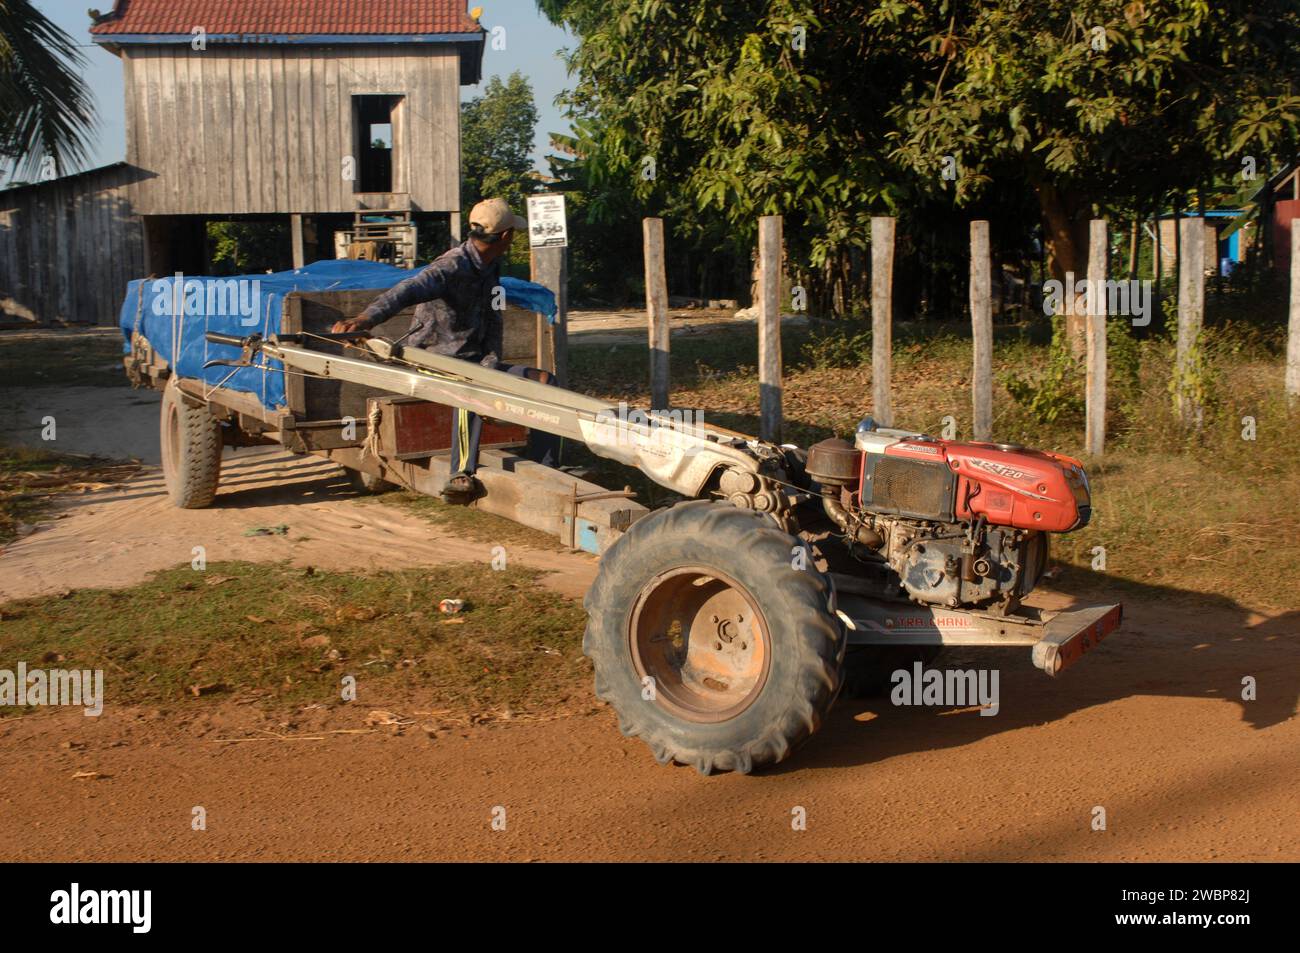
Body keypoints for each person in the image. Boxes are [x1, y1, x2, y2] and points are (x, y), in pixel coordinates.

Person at [332, 198, 560, 503]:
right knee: (471, 384)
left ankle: (549, 470)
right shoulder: (452, 266)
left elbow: (493, 317)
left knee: (546, 384)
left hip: (474, 361)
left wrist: (492, 362)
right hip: (431, 359)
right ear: (505, 237)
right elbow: (407, 290)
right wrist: (365, 318)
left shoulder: (490, 267)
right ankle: (461, 474)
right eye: (513, 234)